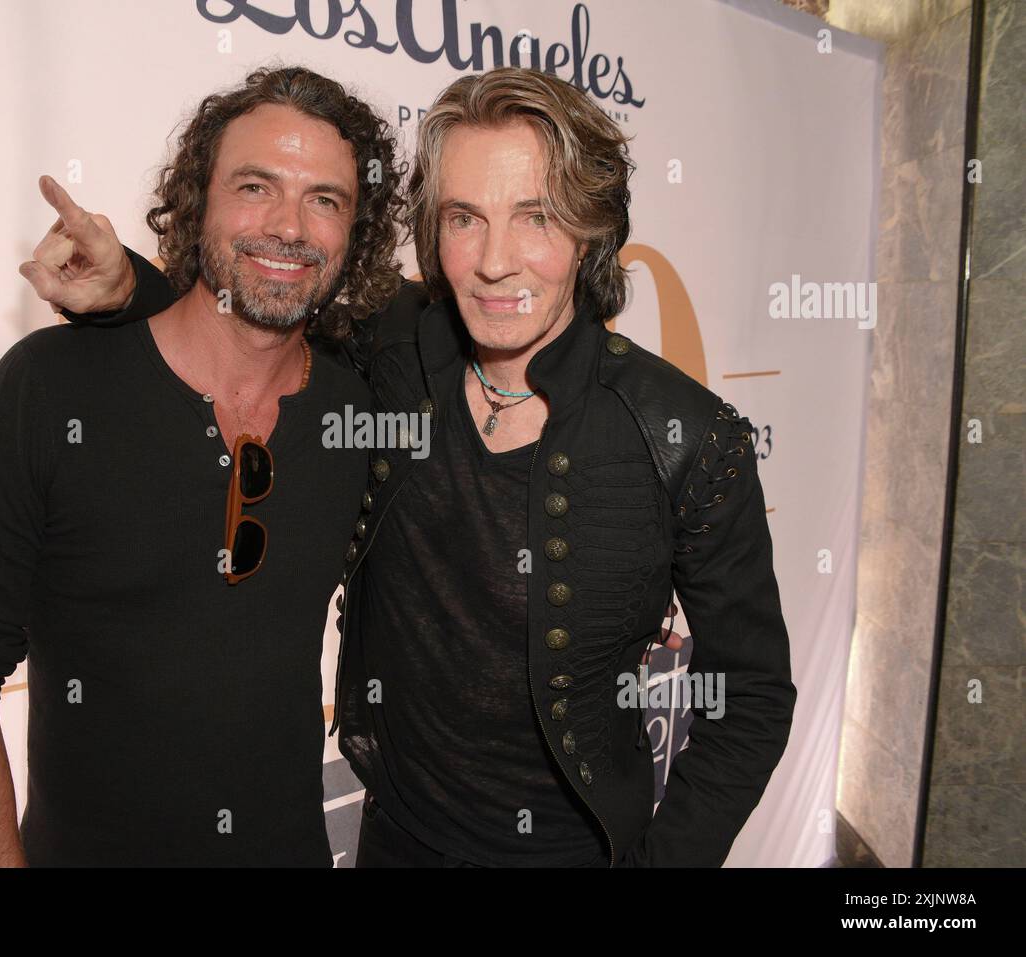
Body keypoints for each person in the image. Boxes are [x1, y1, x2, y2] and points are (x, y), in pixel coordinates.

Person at [51, 67, 795, 868]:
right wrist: (133, 285)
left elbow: (749, 698)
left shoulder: (685, 434)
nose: (494, 262)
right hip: (393, 840)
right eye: (464, 218)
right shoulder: (392, 345)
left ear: (591, 230)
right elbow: (259, 310)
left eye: (536, 217)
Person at [0, 66, 405, 866]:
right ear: (198, 200)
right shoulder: (47, 387)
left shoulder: (360, 414)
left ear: (354, 233)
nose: (289, 226)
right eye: (255, 186)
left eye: (325, 199)